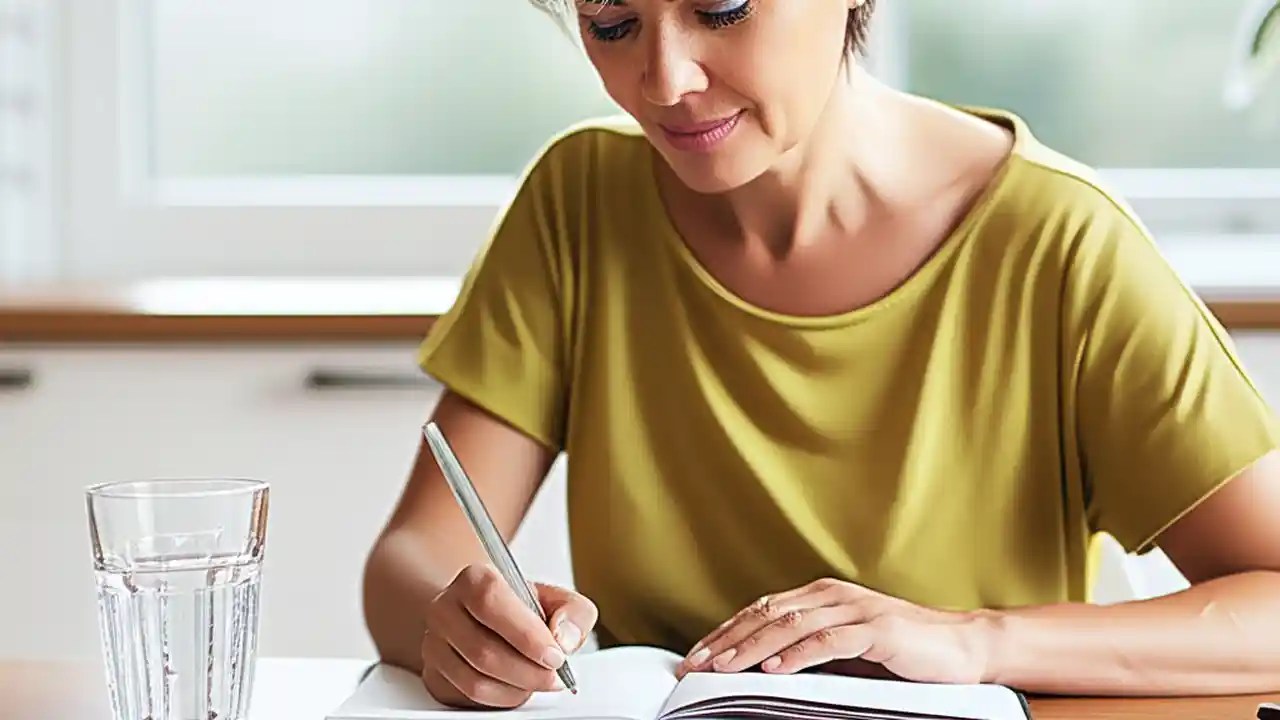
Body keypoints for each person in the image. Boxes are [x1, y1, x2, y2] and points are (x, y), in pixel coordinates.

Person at [362, 0, 1280, 709]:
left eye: (721, 9)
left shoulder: (1059, 245)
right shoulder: (578, 204)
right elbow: (416, 551)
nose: (663, 78)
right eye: (612, 23)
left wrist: (974, 641)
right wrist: (464, 623)